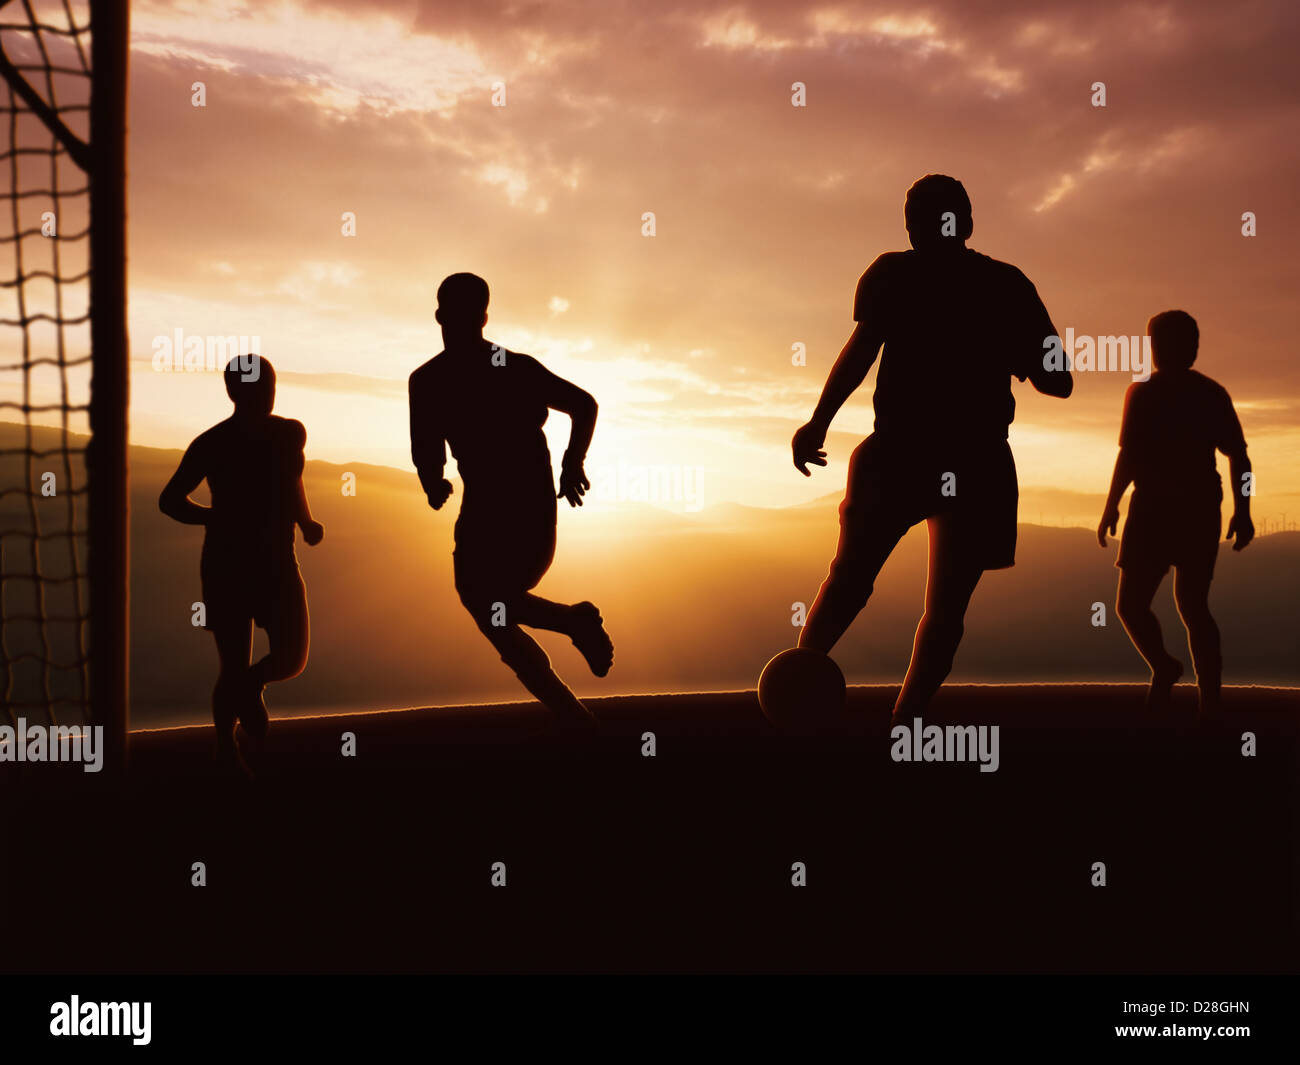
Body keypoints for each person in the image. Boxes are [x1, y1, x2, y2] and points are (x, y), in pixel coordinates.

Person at [792, 174, 1073, 723]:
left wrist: (818, 422)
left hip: (901, 452)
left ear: (912, 226)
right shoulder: (1006, 284)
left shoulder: (893, 274)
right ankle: (906, 724)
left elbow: (860, 351)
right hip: (975, 460)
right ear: (967, 223)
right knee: (942, 611)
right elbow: (1058, 381)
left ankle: (798, 694)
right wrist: (1023, 350)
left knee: (850, 581)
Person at [409, 273, 613, 727]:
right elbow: (583, 405)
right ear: (483, 316)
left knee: (485, 600)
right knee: (490, 609)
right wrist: (571, 462)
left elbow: (584, 404)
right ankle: (573, 713)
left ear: (442, 315)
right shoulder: (494, 369)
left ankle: (574, 631)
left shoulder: (437, 378)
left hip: (521, 514)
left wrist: (433, 482)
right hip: (499, 513)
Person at [159, 355, 323, 774]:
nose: (266, 396)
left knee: (281, 659)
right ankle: (225, 746)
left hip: (251, 561)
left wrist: (305, 521)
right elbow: (169, 500)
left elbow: (292, 482)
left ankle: (247, 691)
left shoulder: (278, 435)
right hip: (242, 563)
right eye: (261, 389)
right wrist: (215, 517)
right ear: (237, 392)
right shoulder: (218, 442)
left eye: (269, 388)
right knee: (252, 661)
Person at [1097, 310, 1253, 713]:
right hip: (1156, 508)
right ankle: (1167, 668)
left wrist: (1245, 510)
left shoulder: (1205, 394)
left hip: (1191, 508)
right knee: (1134, 604)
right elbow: (1128, 455)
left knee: (1190, 603)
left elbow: (1239, 456)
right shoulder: (1144, 393)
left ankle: (1210, 700)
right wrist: (1112, 505)